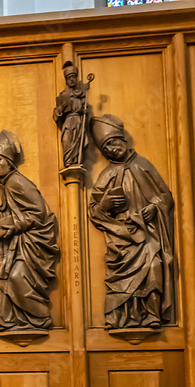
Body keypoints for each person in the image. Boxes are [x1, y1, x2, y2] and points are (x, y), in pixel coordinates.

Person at [88, 114, 176, 329]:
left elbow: (165, 197)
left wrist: (154, 208)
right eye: (104, 148)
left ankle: (151, 313)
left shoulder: (143, 165)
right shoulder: (107, 174)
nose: (109, 149)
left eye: (112, 143)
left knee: (153, 265)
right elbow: (93, 209)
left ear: (123, 140)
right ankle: (119, 317)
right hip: (121, 236)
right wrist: (105, 205)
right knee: (119, 277)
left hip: (147, 234)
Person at [0, 131, 59, 331]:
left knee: (15, 277)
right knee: (10, 279)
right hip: (21, 244)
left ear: (9, 162)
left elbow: (39, 213)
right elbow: (14, 214)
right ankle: (17, 320)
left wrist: (13, 226)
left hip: (32, 244)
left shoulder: (16, 182)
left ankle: (40, 317)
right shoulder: (7, 185)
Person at [53, 61, 92, 170]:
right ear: (66, 80)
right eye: (69, 77)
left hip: (78, 121)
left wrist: (85, 112)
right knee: (67, 140)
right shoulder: (63, 95)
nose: (71, 79)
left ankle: (77, 161)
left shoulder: (82, 96)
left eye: (73, 77)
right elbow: (56, 115)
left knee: (78, 140)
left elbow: (85, 109)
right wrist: (59, 110)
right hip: (68, 122)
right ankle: (69, 161)